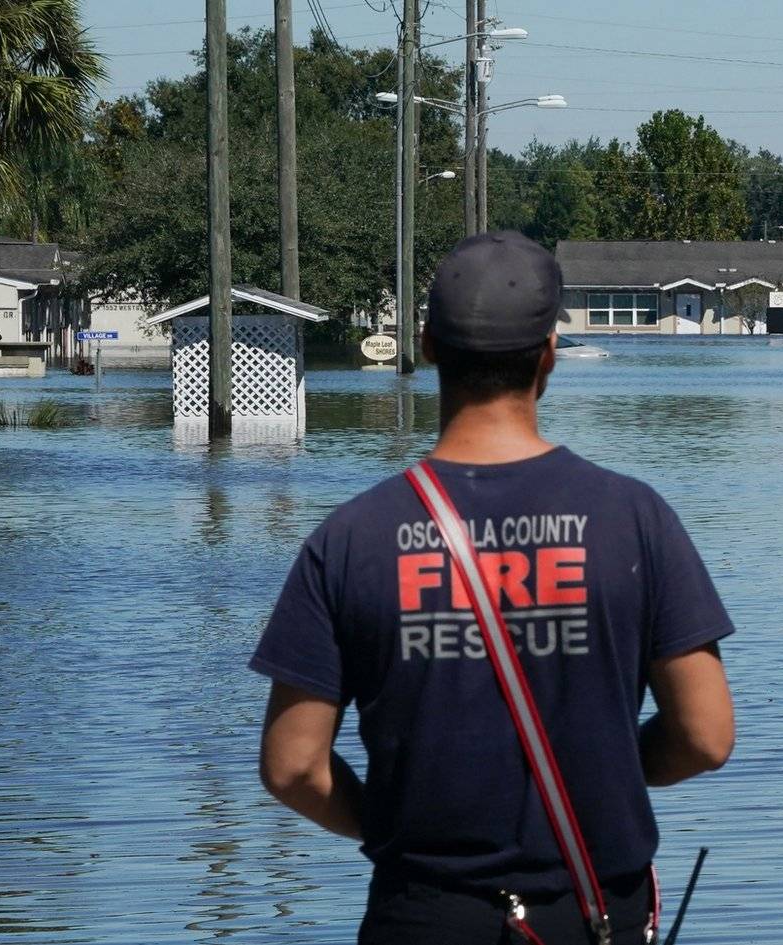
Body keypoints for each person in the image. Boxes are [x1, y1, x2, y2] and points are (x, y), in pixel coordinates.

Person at [251, 231, 736, 945]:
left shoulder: (351, 538)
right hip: (593, 909)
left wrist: (389, 818)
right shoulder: (633, 519)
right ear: (548, 355)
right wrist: (601, 768)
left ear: (427, 346)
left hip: (423, 912)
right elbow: (706, 736)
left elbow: (293, 766)